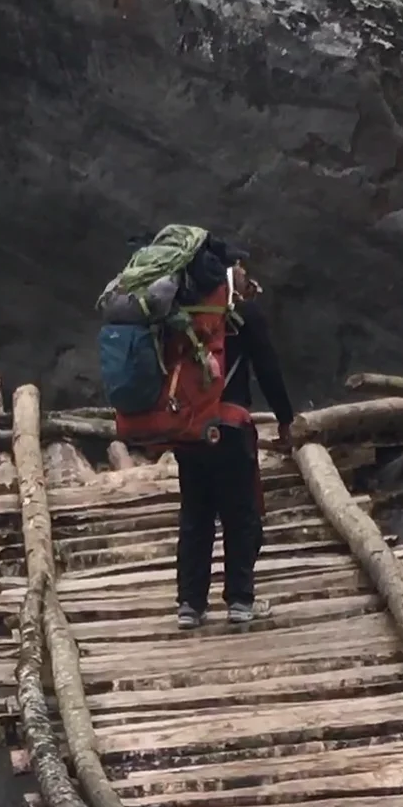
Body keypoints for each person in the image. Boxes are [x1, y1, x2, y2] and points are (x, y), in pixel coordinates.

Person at [160, 236, 298, 634]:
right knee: (239, 512)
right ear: (226, 271)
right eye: (239, 265)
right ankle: (239, 599)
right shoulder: (243, 315)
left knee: (195, 513)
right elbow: (269, 369)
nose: (244, 271)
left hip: (189, 429)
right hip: (233, 427)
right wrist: (286, 418)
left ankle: (190, 604)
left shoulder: (176, 312)